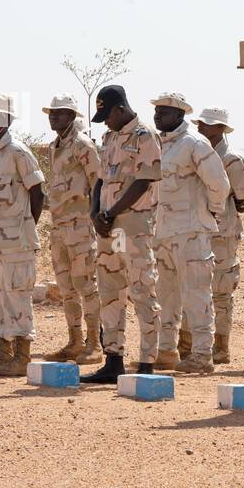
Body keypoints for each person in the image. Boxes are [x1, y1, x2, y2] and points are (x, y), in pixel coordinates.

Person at [82, 85, 163, 382]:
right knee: (110, 291)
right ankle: (113, 360)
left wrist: (111, 212)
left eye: (107, 116)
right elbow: (101, 181)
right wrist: (95, 213)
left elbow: (143, 181)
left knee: (142, 290)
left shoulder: (145, 137)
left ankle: (146, 362)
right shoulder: (109, 138)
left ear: (121, 109)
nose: (105, 122)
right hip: (109, 226)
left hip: (134, 224)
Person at [150, 92, 230, 374]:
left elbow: (219, 183)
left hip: (192, 233)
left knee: (196, 295)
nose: (158, 115)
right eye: (157, 110)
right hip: (164, 233)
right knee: (166, 295)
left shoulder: (194, 143)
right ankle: (166, 350)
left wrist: (212, 212)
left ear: (180, 115)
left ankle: (201, 354)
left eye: (164, 111)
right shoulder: (158, 145)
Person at [0, 93, 46, 377]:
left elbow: (38, 193)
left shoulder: (18, 153)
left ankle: (22, 356)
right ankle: (2, 349)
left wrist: (25, 228)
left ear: (4, 119)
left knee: (16, 295)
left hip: (15, 242)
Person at [41, 94, 103, 365]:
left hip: (80, 225)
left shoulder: (82, 144)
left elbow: (97, 181)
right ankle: (75, 340)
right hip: (59, 225)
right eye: (52, 113)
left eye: (61, 113)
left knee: (86, 284)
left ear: (72, 116)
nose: (54, 117)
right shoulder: (57, 145)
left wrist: (95, 218)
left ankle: (95, 343)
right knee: (66, 287)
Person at [193, 107, 244, 365]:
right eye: (200, 124)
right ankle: (194, 344)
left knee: (220, 289)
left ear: (219, 129)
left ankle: (221, 346)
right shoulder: (195, 154)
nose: (200, 128)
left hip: (222, 233)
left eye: (206, 125)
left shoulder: (230, 160)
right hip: (199, 230)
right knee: (196, 287)